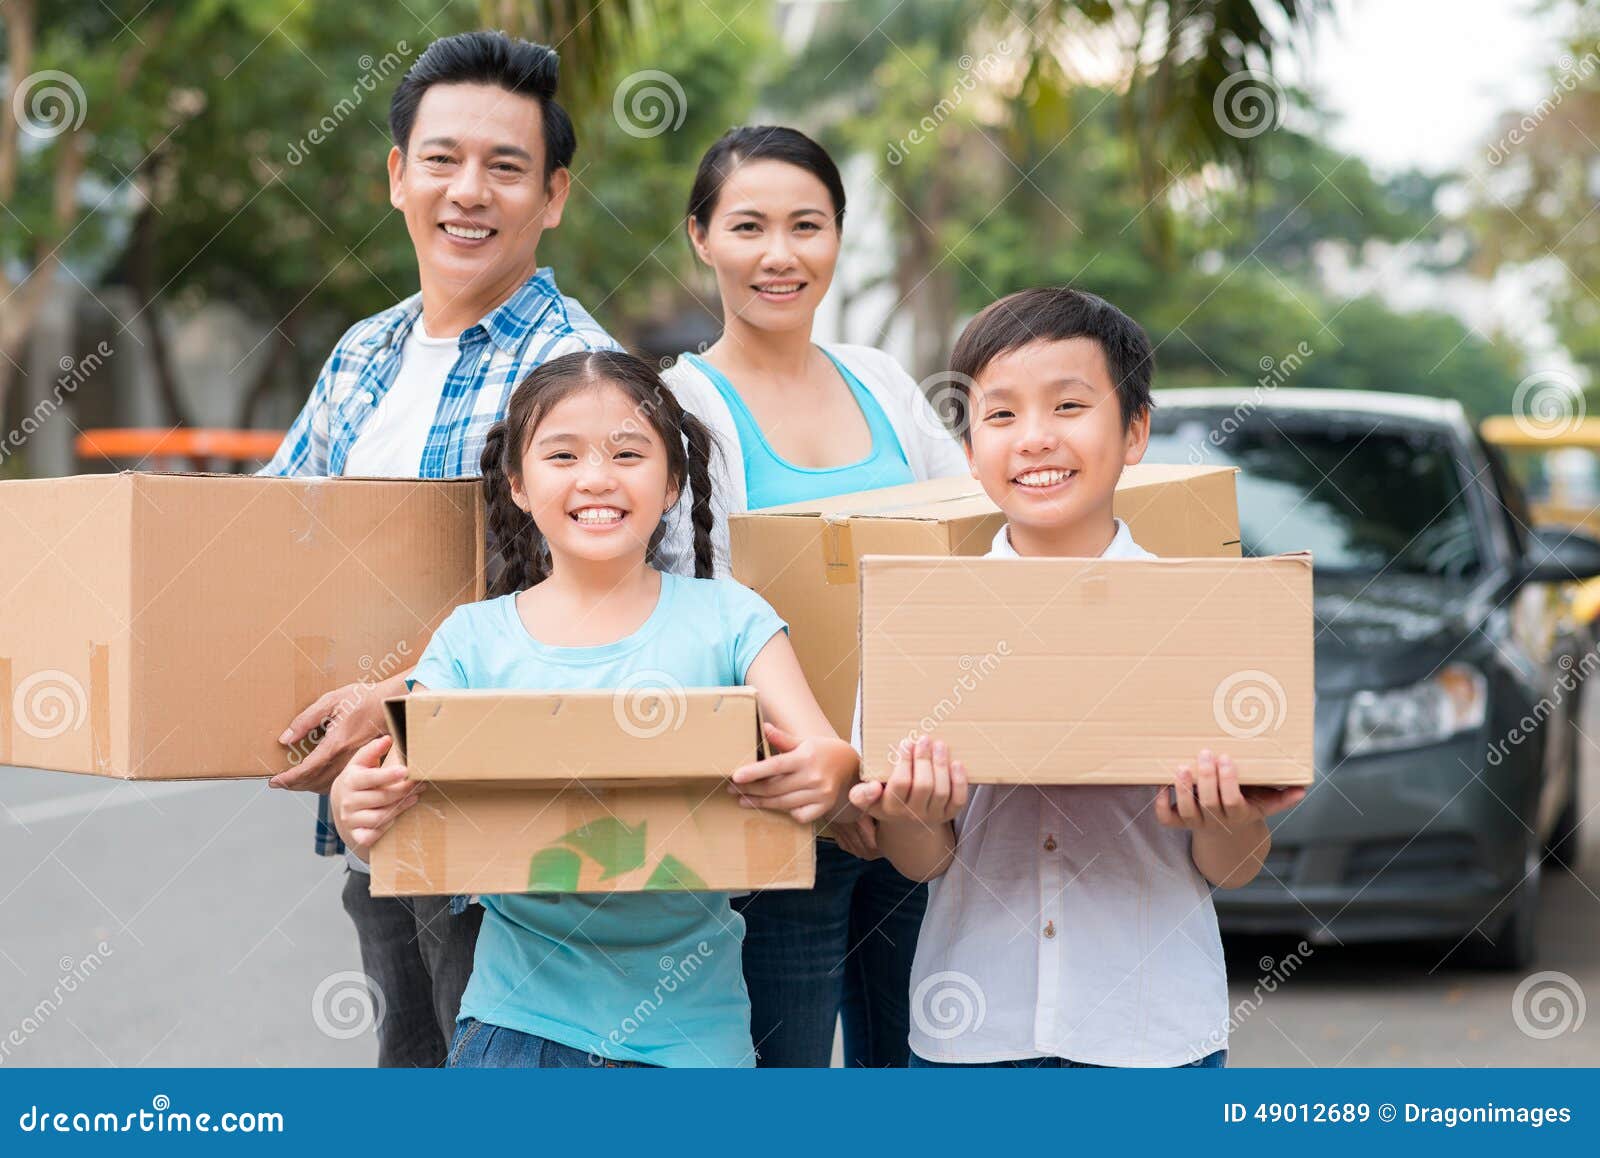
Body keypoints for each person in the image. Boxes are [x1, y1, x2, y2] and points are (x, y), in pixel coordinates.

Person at [330, 351, 861, 1067]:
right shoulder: (471, 642)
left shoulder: (732, 620)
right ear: (517, 484)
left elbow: (828, 756)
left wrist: (829, 771)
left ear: (673, 480)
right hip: (515, 1032)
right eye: (563, 454)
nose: (596, 477)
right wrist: (351, 807)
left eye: (628, 452)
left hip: (693, 1039)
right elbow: (395, 813)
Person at [257, 31, 619, 1067]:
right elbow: (274, 545)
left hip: (519, 842)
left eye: (505, 167)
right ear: (396, 177)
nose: (469, 190)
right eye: (442, 159)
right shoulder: (363, 352)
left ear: (552, 196)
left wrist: (409, 696)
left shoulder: (578, 373)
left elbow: (614, 603)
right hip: (381, 817)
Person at [850, 286, 1307, 1068]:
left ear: (1135, 432)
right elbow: (921, 860)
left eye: (1068, 407)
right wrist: (916, 814)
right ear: (969, 452)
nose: (1034, 439)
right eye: (1000, 416)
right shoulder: (919, 623)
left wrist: (1223, 815)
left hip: (1153, 1035)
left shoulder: (1207, 616)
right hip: (974, 1033)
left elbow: (1232, 867)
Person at [656, 126, 969, 1067]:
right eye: (749, 226)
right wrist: (826, 786)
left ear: (838, 236)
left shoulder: (879, 380)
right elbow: (691, 612)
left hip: (918, 793)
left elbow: (965, 541)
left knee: (920, 1069)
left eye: (809, 225)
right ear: (700, 238)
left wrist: (900, 781)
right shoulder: (680, 408)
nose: (781, 255)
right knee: (783, 1071)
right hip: (782, 806)